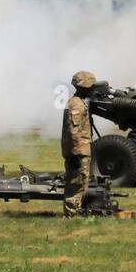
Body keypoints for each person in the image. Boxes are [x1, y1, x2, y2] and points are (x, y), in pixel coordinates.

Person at [62, 71, 95, 217]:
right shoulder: (76, 104)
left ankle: (74, 211)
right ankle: (71, 214)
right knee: (77, 183)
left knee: (80, 182)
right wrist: (75, 153)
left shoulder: (78, 102)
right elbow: (74, 131)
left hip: (80, 150)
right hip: (79, 151)